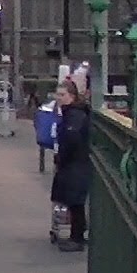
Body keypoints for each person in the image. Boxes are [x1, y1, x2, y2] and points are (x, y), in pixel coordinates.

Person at [51, 79, 92, 252]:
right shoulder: (74, 113)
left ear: (72, 96)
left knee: (75, 201)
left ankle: (77, 238)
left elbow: (71, 138)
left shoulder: (74, 115)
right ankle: (77, 235)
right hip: (77, 162)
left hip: (75, 163)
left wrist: (61, 157)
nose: (59, 98)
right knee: (75, 200)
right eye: (57, 95)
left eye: (63, 95)